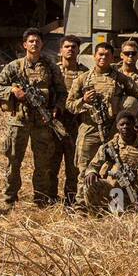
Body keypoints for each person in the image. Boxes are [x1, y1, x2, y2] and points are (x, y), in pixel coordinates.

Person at [0, 28, 68, 207]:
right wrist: (12, 90)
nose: (34, 44)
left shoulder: (50, 66)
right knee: (13, 161)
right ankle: (9, 199)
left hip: (42, 122)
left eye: (38, 41)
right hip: (18, 121)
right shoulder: (14, 66)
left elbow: (61, 92)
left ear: (42, 44)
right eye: (31, 41)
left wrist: (57, 108)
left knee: (43, 163)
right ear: (24, 44)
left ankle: (40, 199)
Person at [65, 42, 138, 208]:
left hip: (113, 130)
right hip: (89, 129)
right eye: (100, 54)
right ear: (94, 56)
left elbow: (137, 99)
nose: (103, 58)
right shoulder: (83, 79)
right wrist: (83, 101)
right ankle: (82, 206)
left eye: (107, 55)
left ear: (113, 58)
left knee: (116, 169)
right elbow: (69, 105)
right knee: (85, 170)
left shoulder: (121, 79)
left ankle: (114, 206)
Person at [84, 110, 138, 214]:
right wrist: (91, 172)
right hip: (112, 193)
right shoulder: (109, 147)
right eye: (122, 124)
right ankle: (96, 214)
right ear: (117, 126)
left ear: (134, 125)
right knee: (89, 183)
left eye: (128, 124)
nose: (125, 127)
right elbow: (93, 165)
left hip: (137, 195)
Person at [53, 35, 85, 205]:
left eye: (73, 47)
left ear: (78, 50)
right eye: (66, 46)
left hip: (76, 124)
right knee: (51, 163)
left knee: (74, 165)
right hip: (55, 123)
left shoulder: (85, 73)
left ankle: (71, 199)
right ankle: (49, 198)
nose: (70, 49)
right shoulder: (53, 70)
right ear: (60, 50)